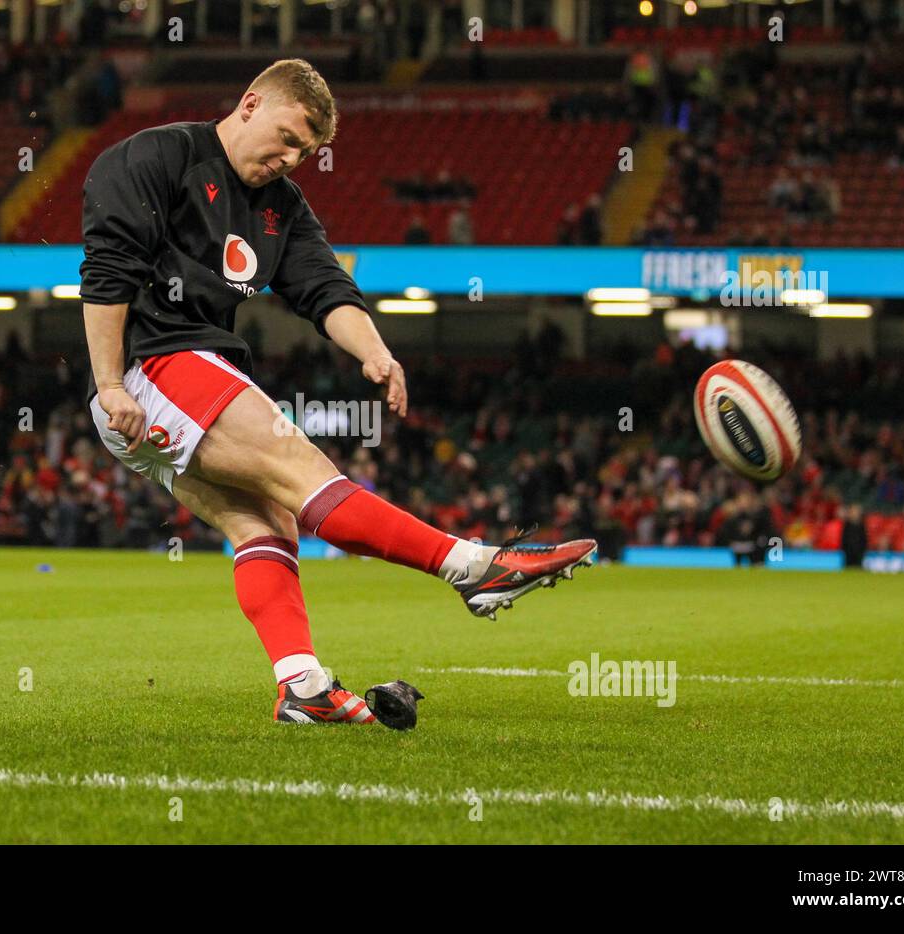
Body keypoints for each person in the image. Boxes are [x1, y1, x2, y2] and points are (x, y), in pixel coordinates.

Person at [80, 59, 596, 727]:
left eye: (307, 152)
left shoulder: (282, 208)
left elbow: (325, 289)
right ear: (249, 104)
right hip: (153, 368)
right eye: (289, 138)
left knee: (265, 525)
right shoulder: (158, 156)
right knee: (305, 474)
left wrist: (375, 351)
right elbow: (108, 271)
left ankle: (302, 685)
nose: (292, 159)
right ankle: (470, 566)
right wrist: (110, 380)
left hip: (162, 385)